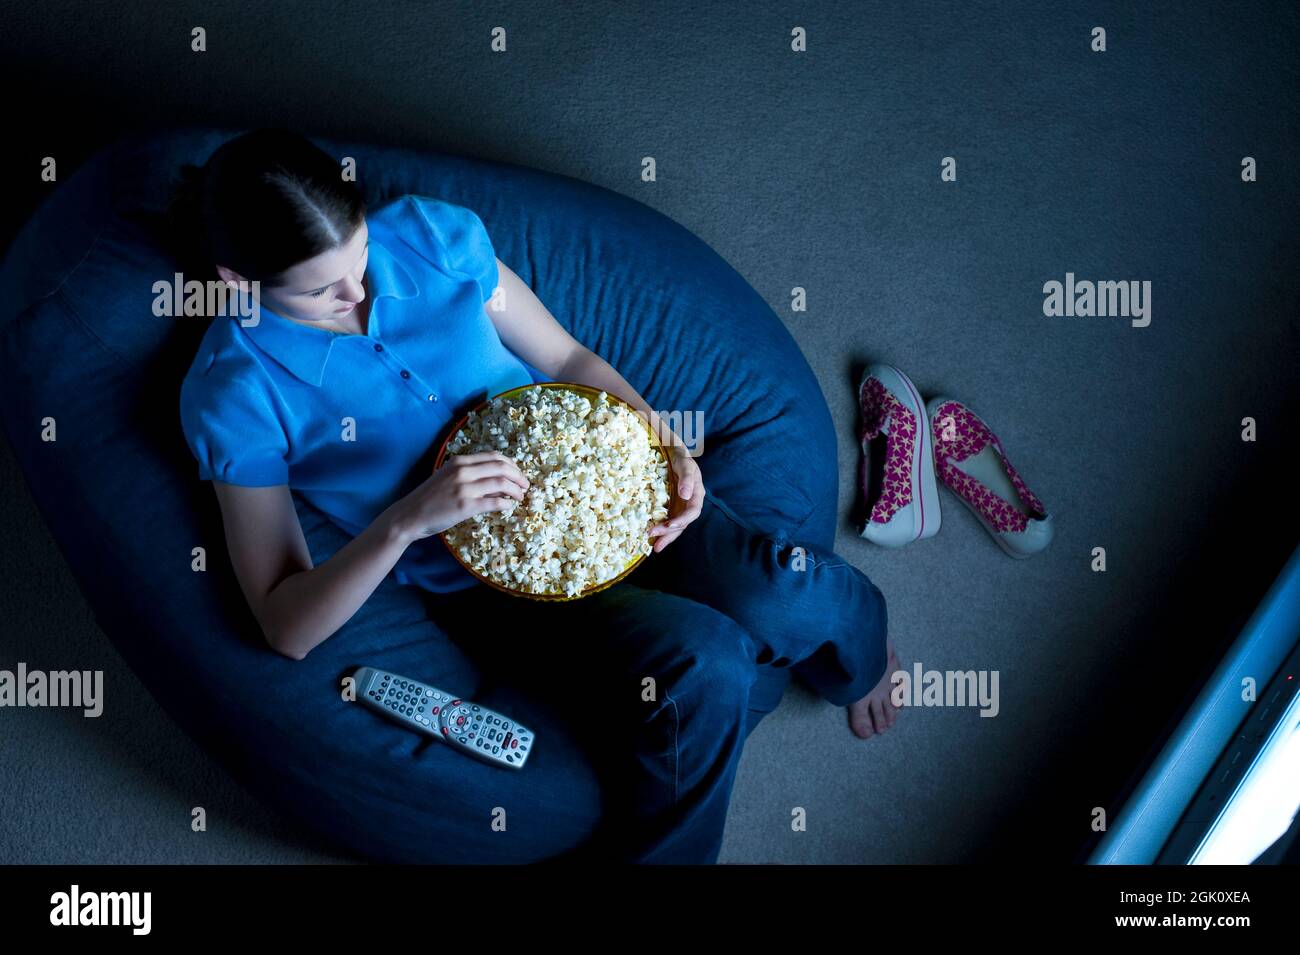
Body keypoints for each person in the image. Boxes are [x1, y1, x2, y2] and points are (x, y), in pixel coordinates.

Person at [170, 128, 900, 865]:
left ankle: (862, 658)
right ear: (236, 281)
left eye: (360, 257)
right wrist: (404, 521)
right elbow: (284, 621)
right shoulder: (235, 391)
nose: (361, 292)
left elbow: (566, 357)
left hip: (598, 481)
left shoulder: (430, 234)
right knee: (704, 662)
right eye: (323, 291)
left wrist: (657, 440)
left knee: (781, 583)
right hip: (490, 587)